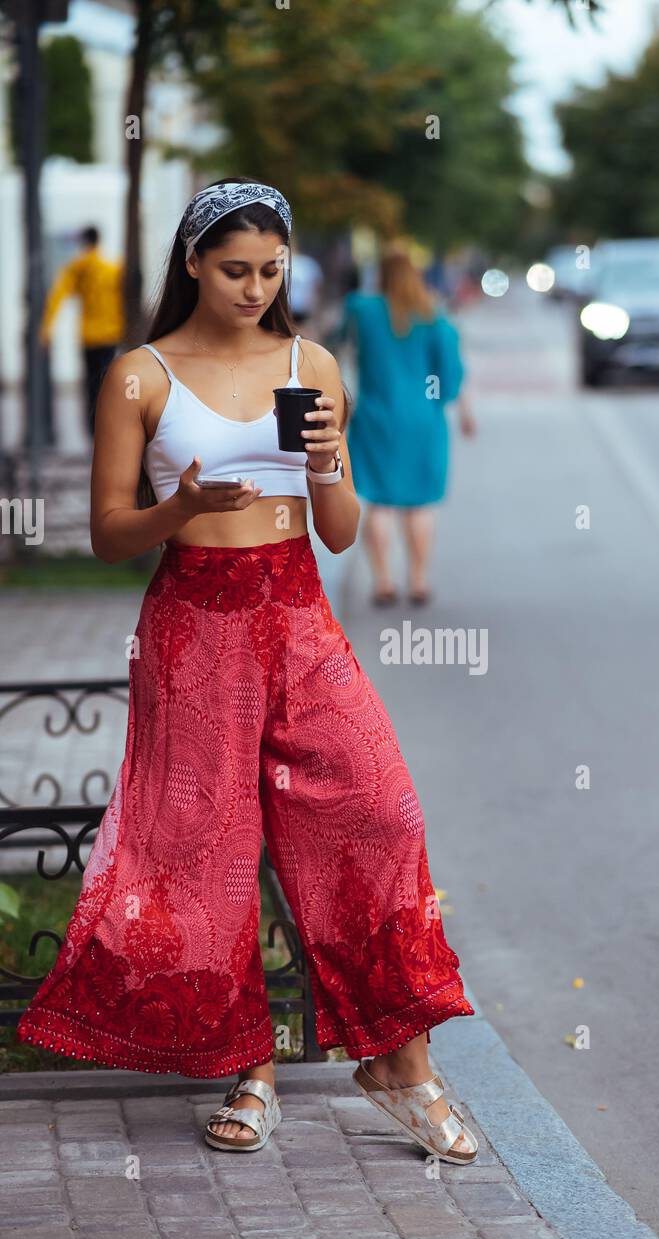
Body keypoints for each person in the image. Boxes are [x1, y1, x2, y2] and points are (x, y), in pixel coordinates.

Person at [16, 177, 477, 1164]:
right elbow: (106, 535)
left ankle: (399, 1057)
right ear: (190, 264)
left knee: (382, 808)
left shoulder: (310, 362)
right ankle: (250, 1068)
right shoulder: (140, 376)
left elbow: (344, 532)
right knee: (212, 851)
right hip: (193, 622)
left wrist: (322, 465)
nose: (254, 287)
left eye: (270, 270)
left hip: (298, 610)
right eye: (234, 269)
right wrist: (179, 505)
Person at [338, 248, 475, 605]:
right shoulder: (433, 315)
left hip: (375, 418)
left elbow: (336, 346)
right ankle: (418, 580)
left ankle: (383, 580)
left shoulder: (361, 310)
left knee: (379, 502)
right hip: (423, 419)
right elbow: (449, 374)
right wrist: (454, 406)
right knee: (419, 504)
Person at [39, 225, 125, 437]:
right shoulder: (112, 268)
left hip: (88, 335)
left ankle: (91, 430)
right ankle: (106, 425)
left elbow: (57, 296)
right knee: (107, 382)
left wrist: (46, 328)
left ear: (84, 242)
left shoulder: (77, 268)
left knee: (90, 384)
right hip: (111, 333)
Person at [288, 249, 323, 326]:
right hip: (300, 306)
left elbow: (316, 287)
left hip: (298, 307)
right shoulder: (309, 263)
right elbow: (317, 288)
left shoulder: (308, 263)